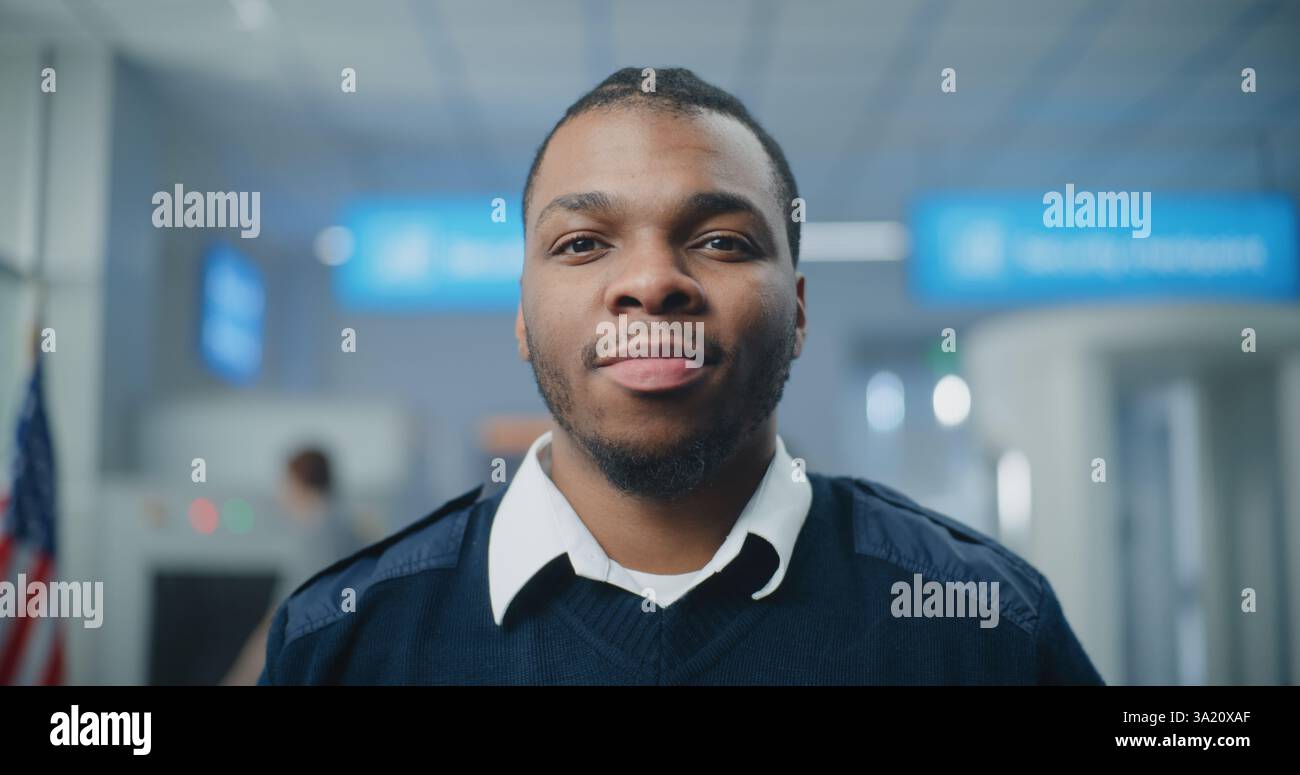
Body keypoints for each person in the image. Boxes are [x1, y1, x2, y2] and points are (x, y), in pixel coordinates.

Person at [258, 67, 1103, 685]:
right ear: (521, 316)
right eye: (583, 243)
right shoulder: (342, 641)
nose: (652, 281)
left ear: (800, 311)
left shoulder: (986, 622)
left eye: (723, 240)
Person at [223, 447, 361, 685]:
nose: (281, 495)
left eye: (285, 484)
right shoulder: (345, 529)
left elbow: (279, 623)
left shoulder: (318, 538)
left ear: (299, 484)